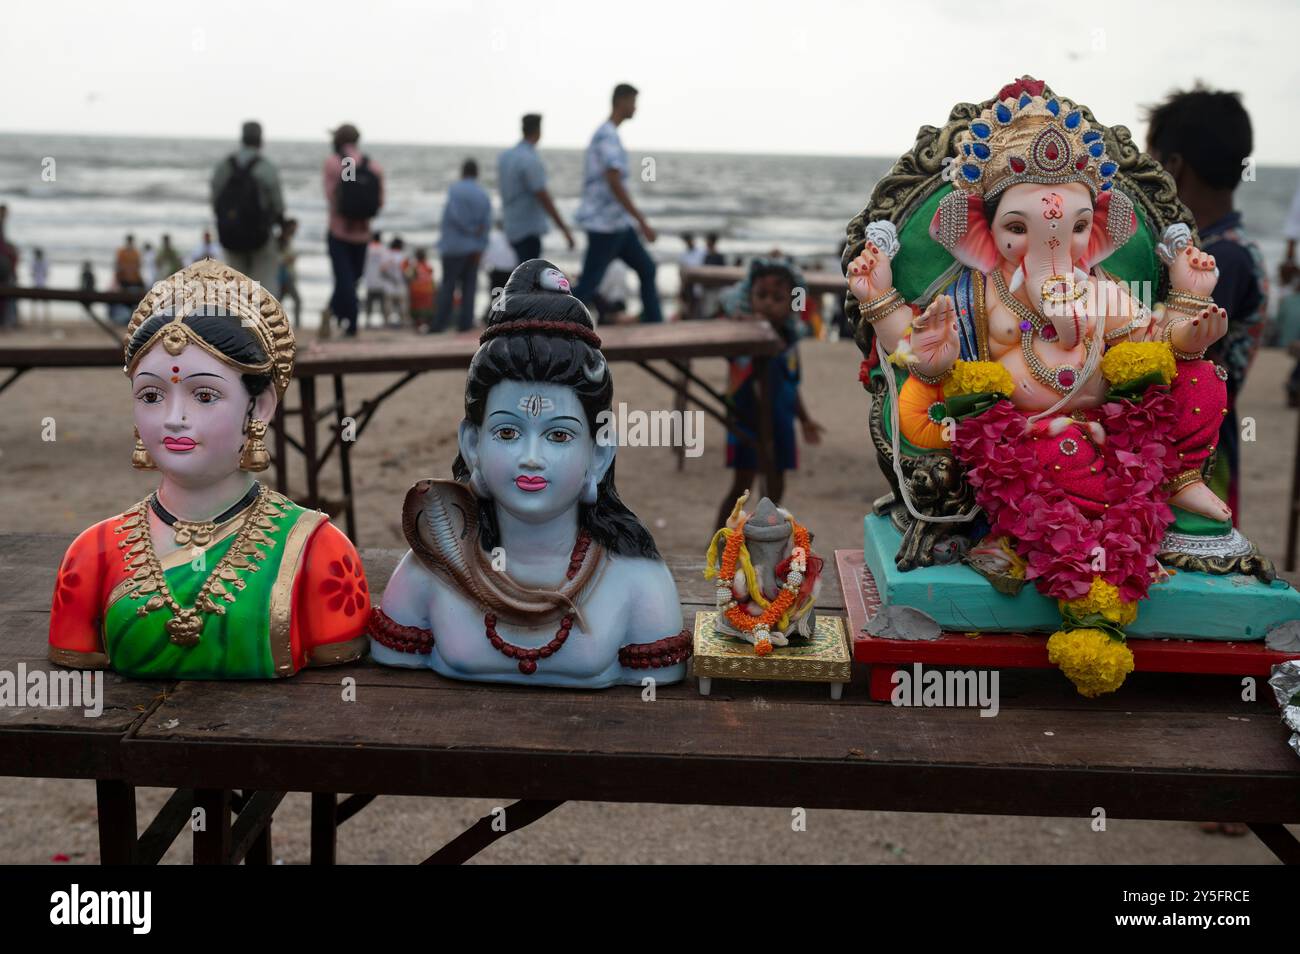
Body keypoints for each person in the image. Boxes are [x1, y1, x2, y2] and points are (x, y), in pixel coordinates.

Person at [367, 259, 690, 689]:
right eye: (507, 431)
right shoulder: (427, 576)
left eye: (558, 435)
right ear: (472, 446)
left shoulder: (638, 584)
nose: (531, 457)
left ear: (599, 455)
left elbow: (662, 674)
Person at [48, 258, 370, 679]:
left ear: (260, 405)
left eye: (204, 395)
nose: (173, 418)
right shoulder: (91, 556)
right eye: (151, 395)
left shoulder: (321, 554)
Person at [1146, 84, 1267, 523]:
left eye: (1151, 160)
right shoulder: (1227, 248)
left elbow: (1184, 351)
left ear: (1172, 165)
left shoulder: (1220, 259)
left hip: (1200, 448)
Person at [713, 258, 824, 532]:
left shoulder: (788, 342)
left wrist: (805, 419)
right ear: (748, 297)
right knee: (742, 485)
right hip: (746, 420)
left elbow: (790, 385)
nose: (768, 303)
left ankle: (764, 534)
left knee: (775, 483)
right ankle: (720, 538)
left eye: (778, 298)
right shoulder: (742, 335)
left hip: (781, 422)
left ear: (792, 302)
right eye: (760, 295)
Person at [572, 83, 663, 323]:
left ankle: (655, 325)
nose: (635, 108)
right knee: (588, 284)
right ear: (621, 101)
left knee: (647, 269)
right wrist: (641, 220)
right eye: (633, 102)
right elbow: (614, 180)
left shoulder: (607, 134)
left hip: (617, 225)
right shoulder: (608, 135)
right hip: (605, 226)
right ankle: (561, 326)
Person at [324, 123, 385, 337]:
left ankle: (350, 322)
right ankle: (339, 315)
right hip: (363, 234)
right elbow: (380, 202)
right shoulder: (373, 166)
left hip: (339, 232)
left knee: (344, 279)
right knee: (352, 279)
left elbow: (331, 197)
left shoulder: (333, 163)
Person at [210, 121, 285, 291]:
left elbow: (215, 201)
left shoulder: (224, 166)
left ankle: (237, 316)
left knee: (236, 286)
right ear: (260, 140)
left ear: (242, 139)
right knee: (265, 285)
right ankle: (261, 316)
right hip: (261, 237)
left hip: (231, 235)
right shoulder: (266, 167)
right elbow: (278, 206)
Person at [497, 113, 575, 262]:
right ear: (538, 131)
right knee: (528, 277)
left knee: (519, 271)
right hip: (528, 229)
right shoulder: (530, 159)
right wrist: (565, 230)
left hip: (511, 226)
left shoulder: (505, 157)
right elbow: (543, 196)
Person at [434, 159, 491, 333]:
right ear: (477, 173)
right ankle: (465, 324)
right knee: (469, 289)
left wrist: (470, 228)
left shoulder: (455, 190)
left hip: (453, 246)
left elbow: (454, 215)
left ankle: (439, 324)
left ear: (462, 171)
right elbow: (486, 224)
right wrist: (481, 245)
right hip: (473, 248)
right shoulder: (483, 194)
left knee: (448, 287)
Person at [481, 220, 518, 321]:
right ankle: (509, 317)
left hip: (497, 271)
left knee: (496, 296)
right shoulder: (514, 236)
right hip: (511, 271)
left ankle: (496, 319)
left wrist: (484, 268)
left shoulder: (492, 236)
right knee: (510, 296)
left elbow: (486, 254)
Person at [404, 247, 437, 332]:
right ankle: (425, 325)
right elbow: (431, 279)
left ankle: (418, 325)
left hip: (416, 292)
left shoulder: (414, 267)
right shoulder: (428, 267)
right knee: (427, 312)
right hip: (427, 291)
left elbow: (408, 276)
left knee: (416, 312)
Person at [277, 217, 302, 328]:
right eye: (294, 227)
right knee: (297, 300)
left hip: (288, 275)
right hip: (285, 277)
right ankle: (297, 325)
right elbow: (276, 259)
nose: (295, 230)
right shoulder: (280, 241)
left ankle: (277, 323)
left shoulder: (289, 240)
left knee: (278, 302)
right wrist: (287, 259)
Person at [678, 231, 706, 317]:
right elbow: (681, 272)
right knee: (690, 306)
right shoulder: (683, 255)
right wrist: (681, 288)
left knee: (700, 304)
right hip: (688, 284)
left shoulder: (701, 252)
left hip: (700, 282)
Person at [382, 236, 408, 326]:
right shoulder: (403, 256)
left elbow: (382, 270)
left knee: (388, 306)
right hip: (401, 283)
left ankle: (386, 322)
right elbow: (407, 272)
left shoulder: (386, 254)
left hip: (388, 283)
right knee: (402, 306)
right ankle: (403, 322)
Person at [363, 231, 386, 325]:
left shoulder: (367, 249)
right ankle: (384, 321)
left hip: (370, 280)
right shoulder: (383, 249)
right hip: (381, 281)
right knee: (382, 304)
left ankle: (368, 320)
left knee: (369, 303)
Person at [29, 248, 50, 321]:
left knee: (34, 302)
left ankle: (34, 316)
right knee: (44, 303)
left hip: (36, 284)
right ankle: (45, 316)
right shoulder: (44, 262)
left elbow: (32, 273)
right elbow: (46, 273)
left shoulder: (34, 262)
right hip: (42, 284)